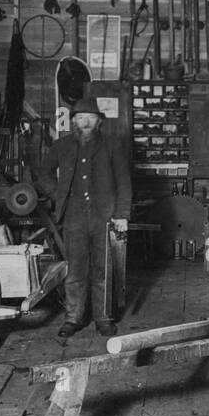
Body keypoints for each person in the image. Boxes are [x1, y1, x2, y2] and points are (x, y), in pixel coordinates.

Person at [37, 96, 131, 339]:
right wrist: (57, 194)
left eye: (90, 117)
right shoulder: (62, 145)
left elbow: (123, 181)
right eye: (80, 118)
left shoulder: (112, 144)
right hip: (73, 217)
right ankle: (73, 318)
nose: (85, 122)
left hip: (105, 217)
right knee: (76, 271)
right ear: (73, 122)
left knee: (103, 270)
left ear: (98, 121)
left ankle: (103, 318)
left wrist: (122, 214)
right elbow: (44, 173)